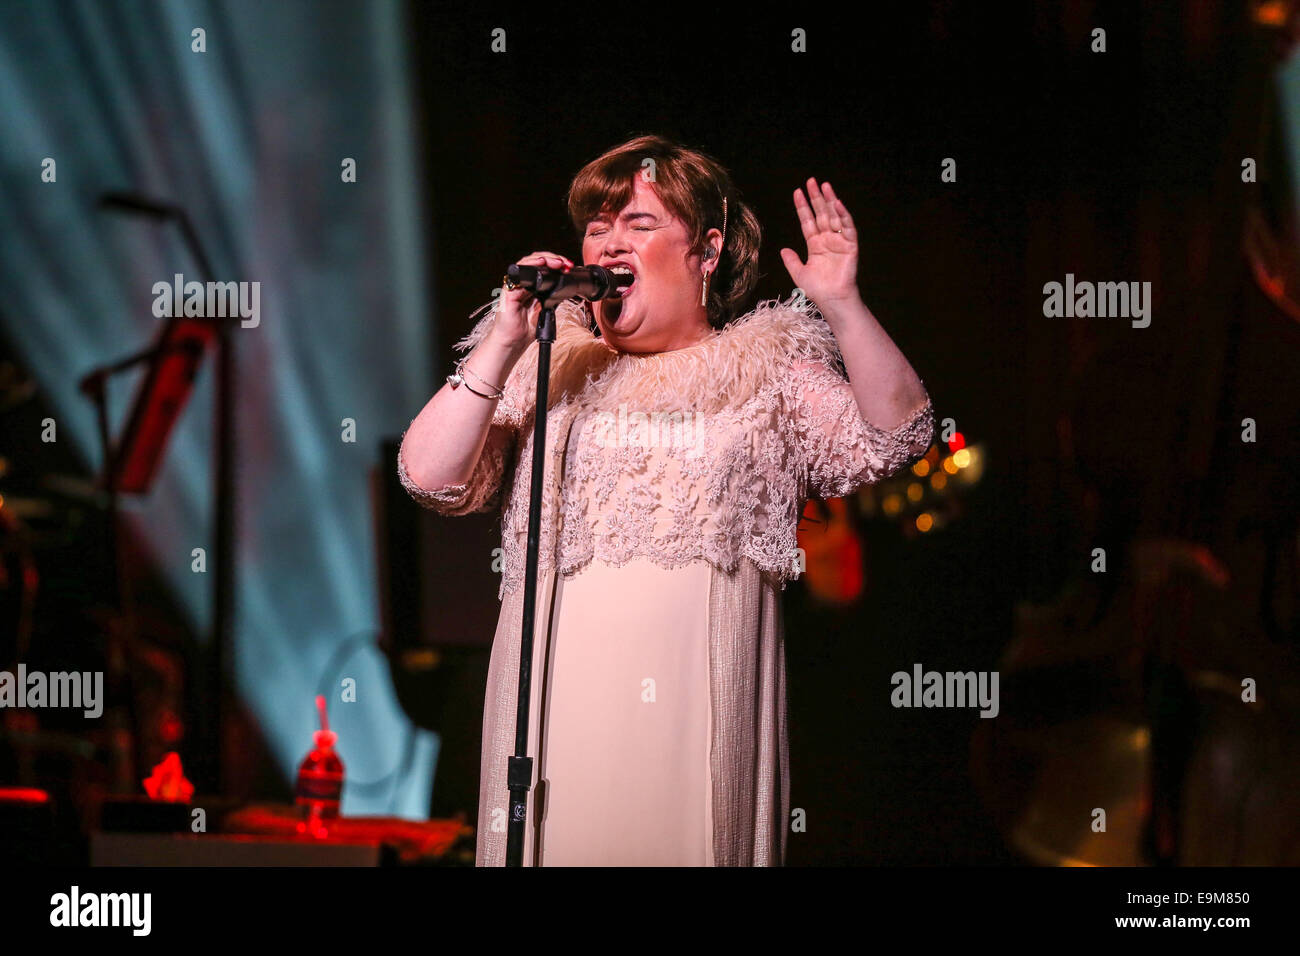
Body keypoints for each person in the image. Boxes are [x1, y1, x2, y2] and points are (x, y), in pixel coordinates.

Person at [398, 134, 934, 866]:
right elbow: (429, 477)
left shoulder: (766, 368)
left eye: (639, 223)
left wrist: (841, 305)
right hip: (556, 716)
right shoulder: (553, 365)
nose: (610, 241)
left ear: (706, 252)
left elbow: (899, 435)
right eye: (597, 227)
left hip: (694, 713)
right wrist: (503, 340)